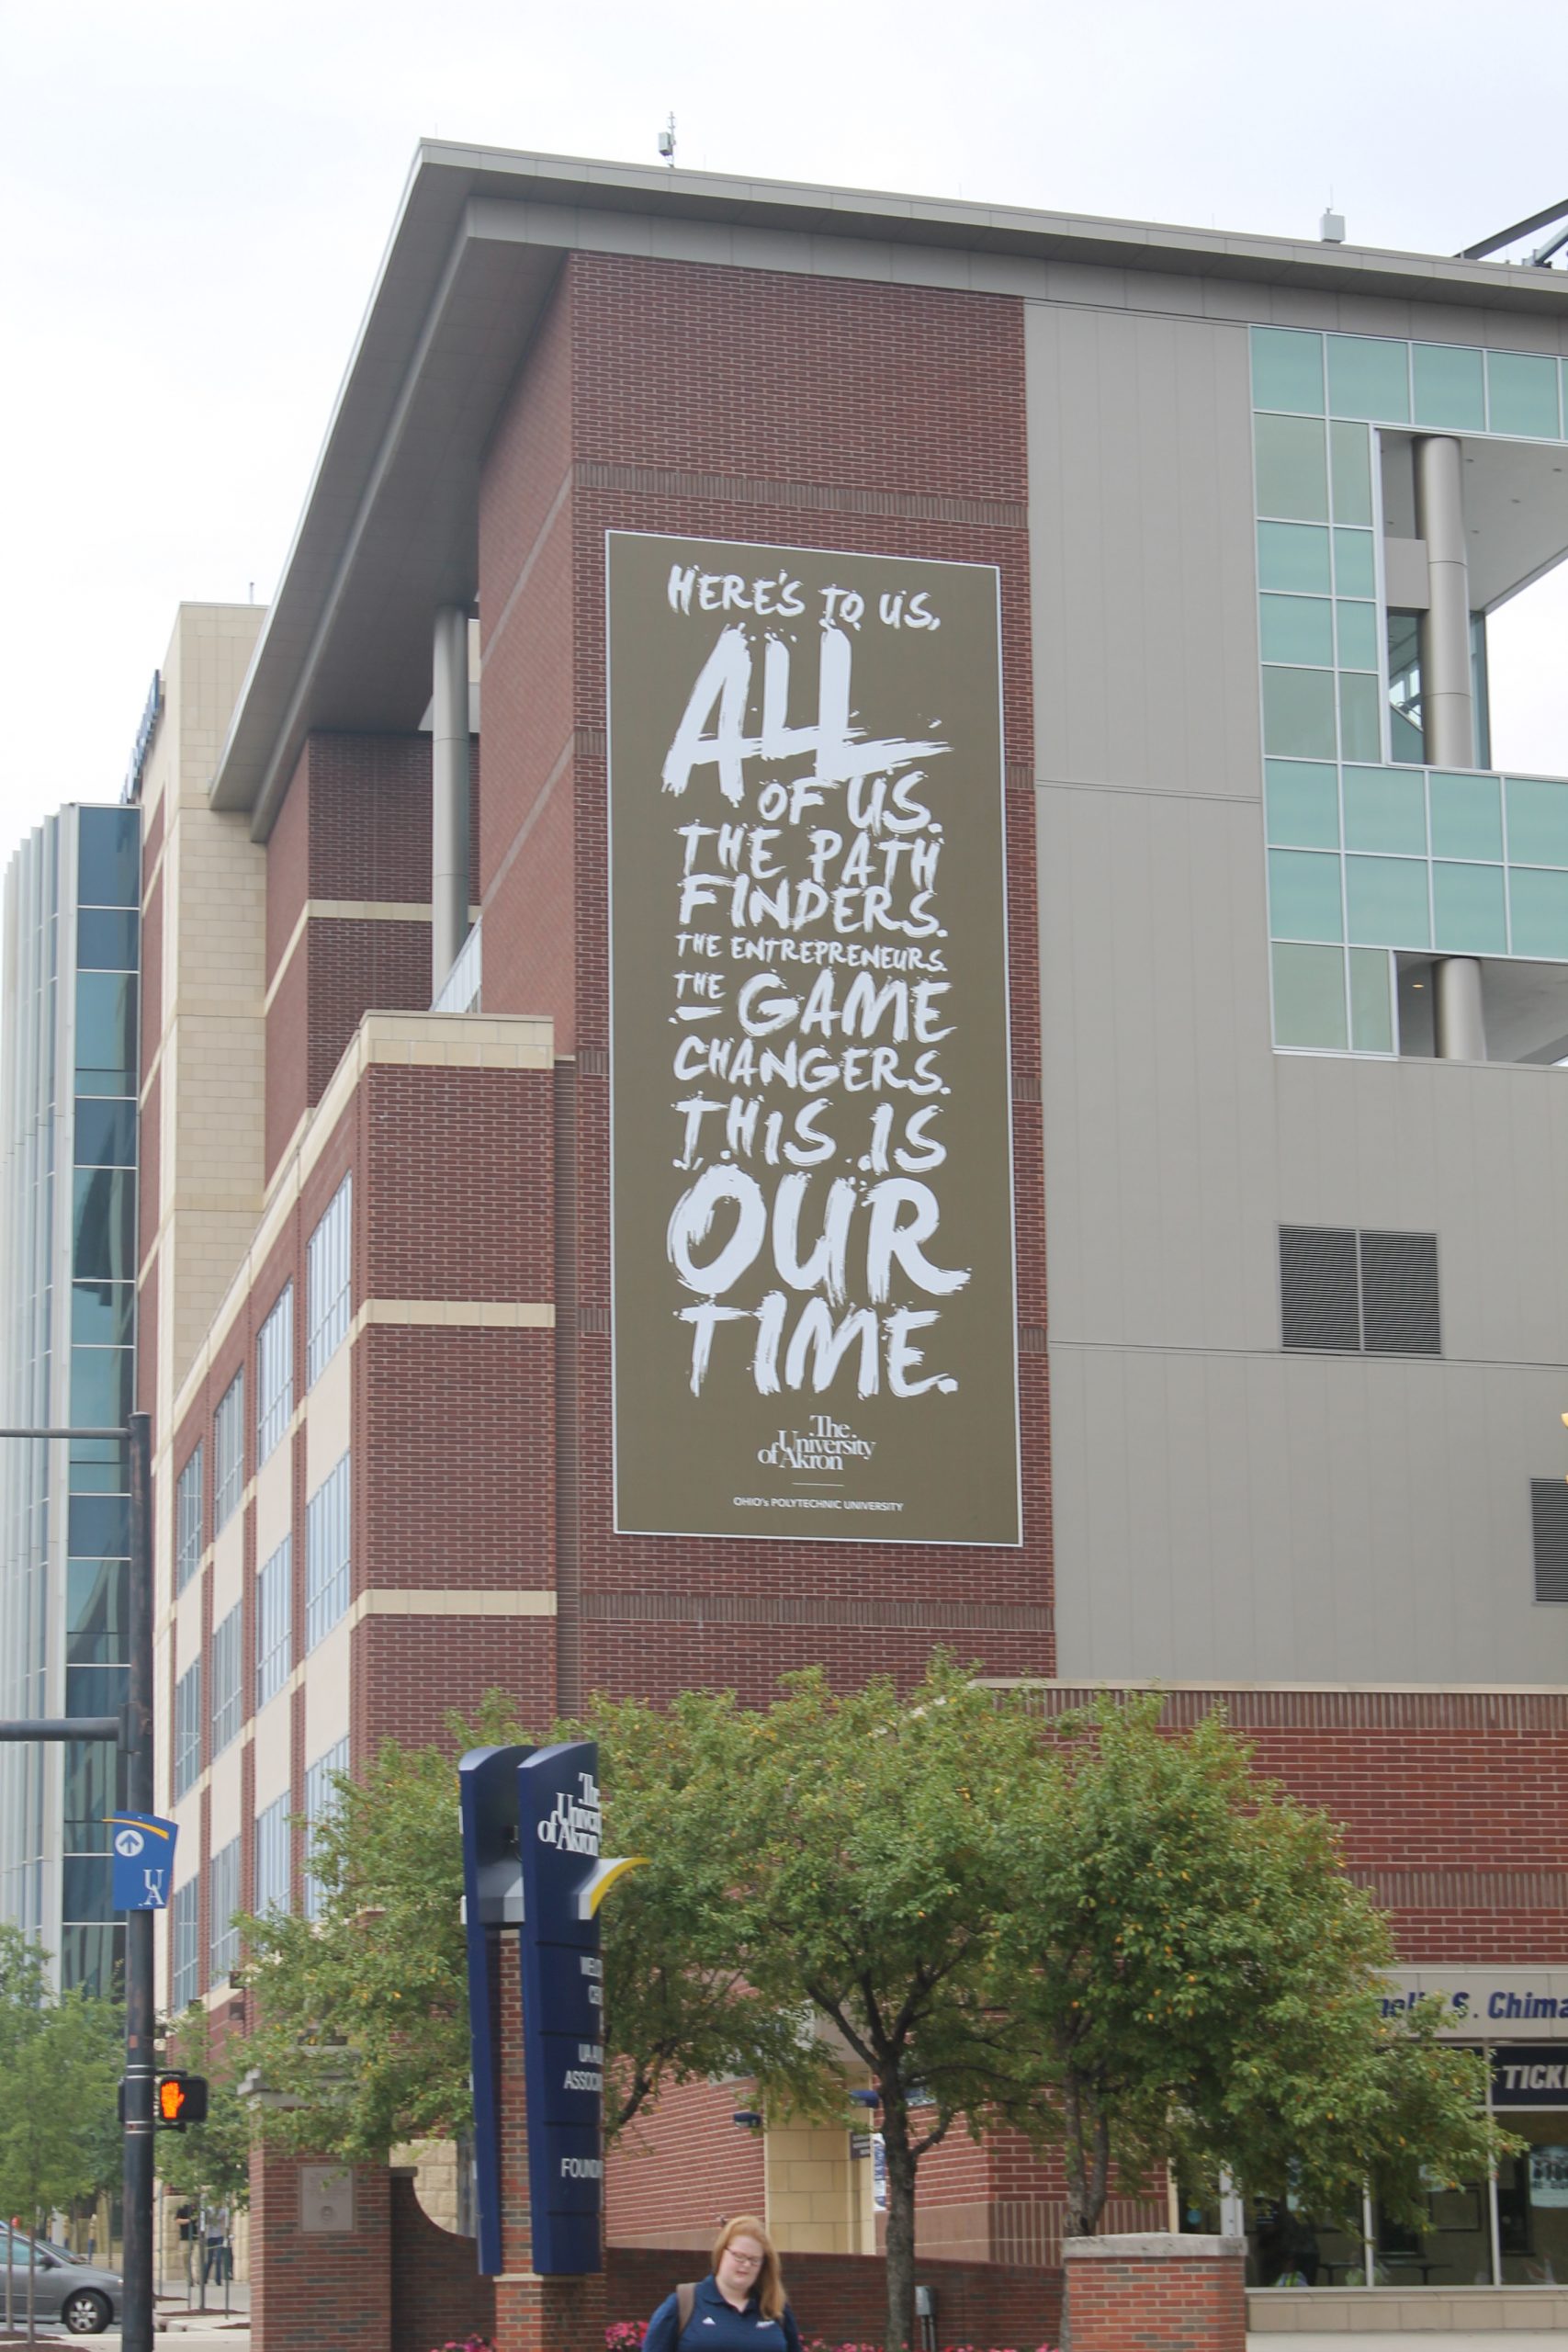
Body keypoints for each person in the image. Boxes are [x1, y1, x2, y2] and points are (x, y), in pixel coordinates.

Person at [641, 2216, 801, 2352]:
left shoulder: (776, 2308)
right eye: (739, 2256)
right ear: (721, 2252)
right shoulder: (683, 2303)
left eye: (754, 2260)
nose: (745, 2265)